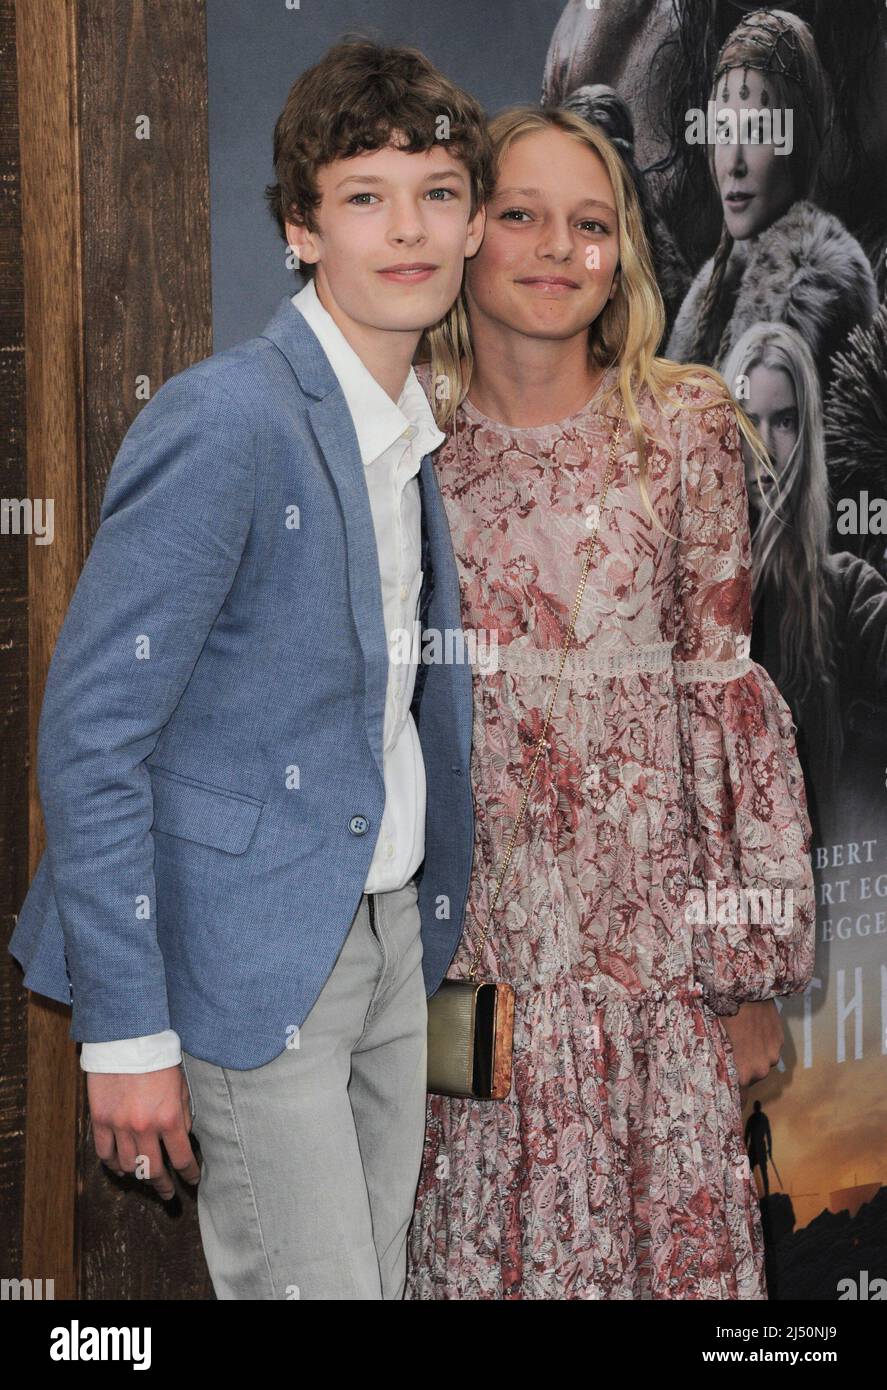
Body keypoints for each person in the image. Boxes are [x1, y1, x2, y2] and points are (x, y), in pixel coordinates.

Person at [8, 37, 490, 1300]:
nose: (407, 230)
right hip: (252, 954)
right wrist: (124, 1027)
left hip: (388, 936)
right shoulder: (229, 418)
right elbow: (92, 731)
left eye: (437, 193)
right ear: (298, 228)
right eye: (363, 197)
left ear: (473, 222)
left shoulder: (401, 427)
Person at [406, 103, 816, 1300]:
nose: (553, 248)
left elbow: (721, 708)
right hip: (471, 983)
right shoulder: (405, 441)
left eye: (588, 224)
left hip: (658, 991)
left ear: (621, 250)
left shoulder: (683, 429)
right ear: (466, 235)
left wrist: (740, 982)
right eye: (520, 215)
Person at [721, 320, 887, 836]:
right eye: (749, 422)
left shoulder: (848, 592)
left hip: (827, 894)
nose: (765, 446)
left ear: (807, 431)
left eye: (785, 421)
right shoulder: (684, 592)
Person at [665, 9, 877, 401]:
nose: (734, 163)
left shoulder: (819, 290)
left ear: (799, 144)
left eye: (759, 132)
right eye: (723, 133)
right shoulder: (717, 284)